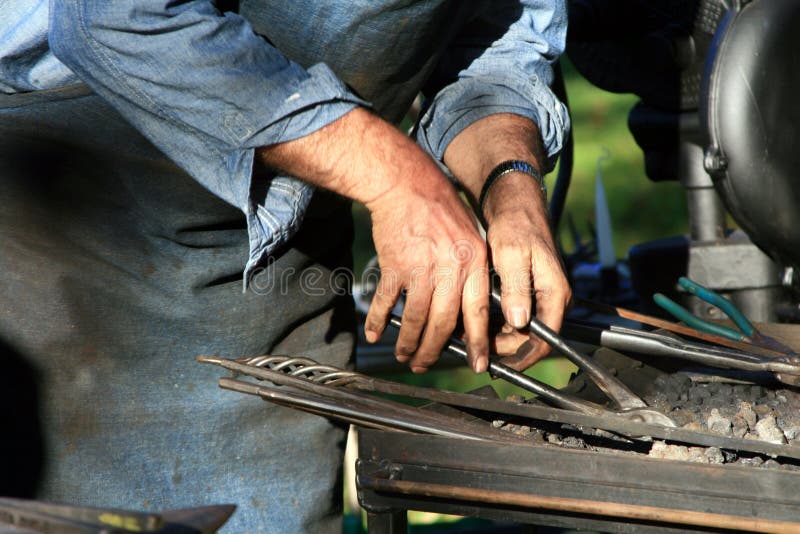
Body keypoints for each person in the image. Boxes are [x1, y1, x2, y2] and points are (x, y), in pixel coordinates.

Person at [0, 1, 570, 531]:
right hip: (69, 209)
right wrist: (397, 178)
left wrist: (510, 186)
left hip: (295, 226)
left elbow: (495, 40)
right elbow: (119, 19)